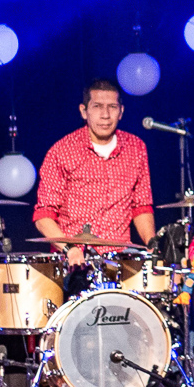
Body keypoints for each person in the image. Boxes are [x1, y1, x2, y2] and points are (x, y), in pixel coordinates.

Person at [34, 78, 155, 291]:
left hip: (119, 262)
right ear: (84, 111)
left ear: (121, 111)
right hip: (73, 264)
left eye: (112, 107)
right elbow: (44, 215)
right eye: (97, 107)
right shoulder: (61, 151)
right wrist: (70, 249)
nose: (105, 115)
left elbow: (141, 207)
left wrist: (153, 245)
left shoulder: (136, 148)